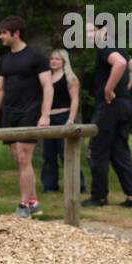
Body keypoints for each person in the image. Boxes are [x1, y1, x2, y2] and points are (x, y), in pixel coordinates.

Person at [0, 16, 52, 218]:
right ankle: (33, 202)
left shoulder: (35, 57)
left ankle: (23, 206)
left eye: (4, 33)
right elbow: (0, 90)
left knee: (24, 158)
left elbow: (48, 86)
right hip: (10, 113)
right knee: (19, 158)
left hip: (29, 112)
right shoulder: (4, 60)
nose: (0, 36)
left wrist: (45, 115)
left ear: (16, 34)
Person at [82, 19, 132, 208]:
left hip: (110, 107)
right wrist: (123, 89)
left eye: (91, 31)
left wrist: (109, 90)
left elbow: (119, 64)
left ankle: (98, 197)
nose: (88, 35)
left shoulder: (104, 46)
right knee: (119, 152)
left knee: (97, 151)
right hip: (125, 104)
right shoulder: (117, 46)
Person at [40, 48, 85, 193]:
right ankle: (50, 185)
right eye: (52, 58)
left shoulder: (70, 78)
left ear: (64, 61)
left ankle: (77, 184)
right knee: (48, 154)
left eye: (57, 59)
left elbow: (75, 100)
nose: (53, 61)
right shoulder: (46, 79)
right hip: (49, 119)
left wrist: (71, 119)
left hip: (64, 117)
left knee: (66, 153)